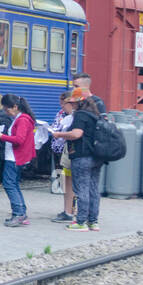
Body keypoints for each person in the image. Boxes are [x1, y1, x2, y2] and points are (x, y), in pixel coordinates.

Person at [54, 88, 102, 231]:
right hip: (96, 157)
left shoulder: (80, 115)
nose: (72, 105)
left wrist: (59, 134)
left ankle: (81, 222)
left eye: (73, 103)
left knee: (81, 189)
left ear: (80, 102)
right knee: (93, 189)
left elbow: (76, 134)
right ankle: (93, 221)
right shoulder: (95, 115)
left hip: (82, 156)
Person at [0, 93, 36, 226]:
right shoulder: (22, 118)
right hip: (16, 156)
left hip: (15, 157)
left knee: (9, 184)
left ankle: (18, 213)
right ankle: (21, 212)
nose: (6, 112)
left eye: (7, 109)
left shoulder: (22, 119)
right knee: (14, 184)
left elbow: (19, 140)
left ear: (15, 107)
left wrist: (1, 136)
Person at [50, 91, 77, 223]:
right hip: (57, 149)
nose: (62, 106)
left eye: (64, 104)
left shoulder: (75, 116)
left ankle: (72, 209)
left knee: (71, 182)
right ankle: (67, 206)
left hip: (68, 150)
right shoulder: (60, 114)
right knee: (63, 178)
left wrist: (59, 134)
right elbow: (55, 125)